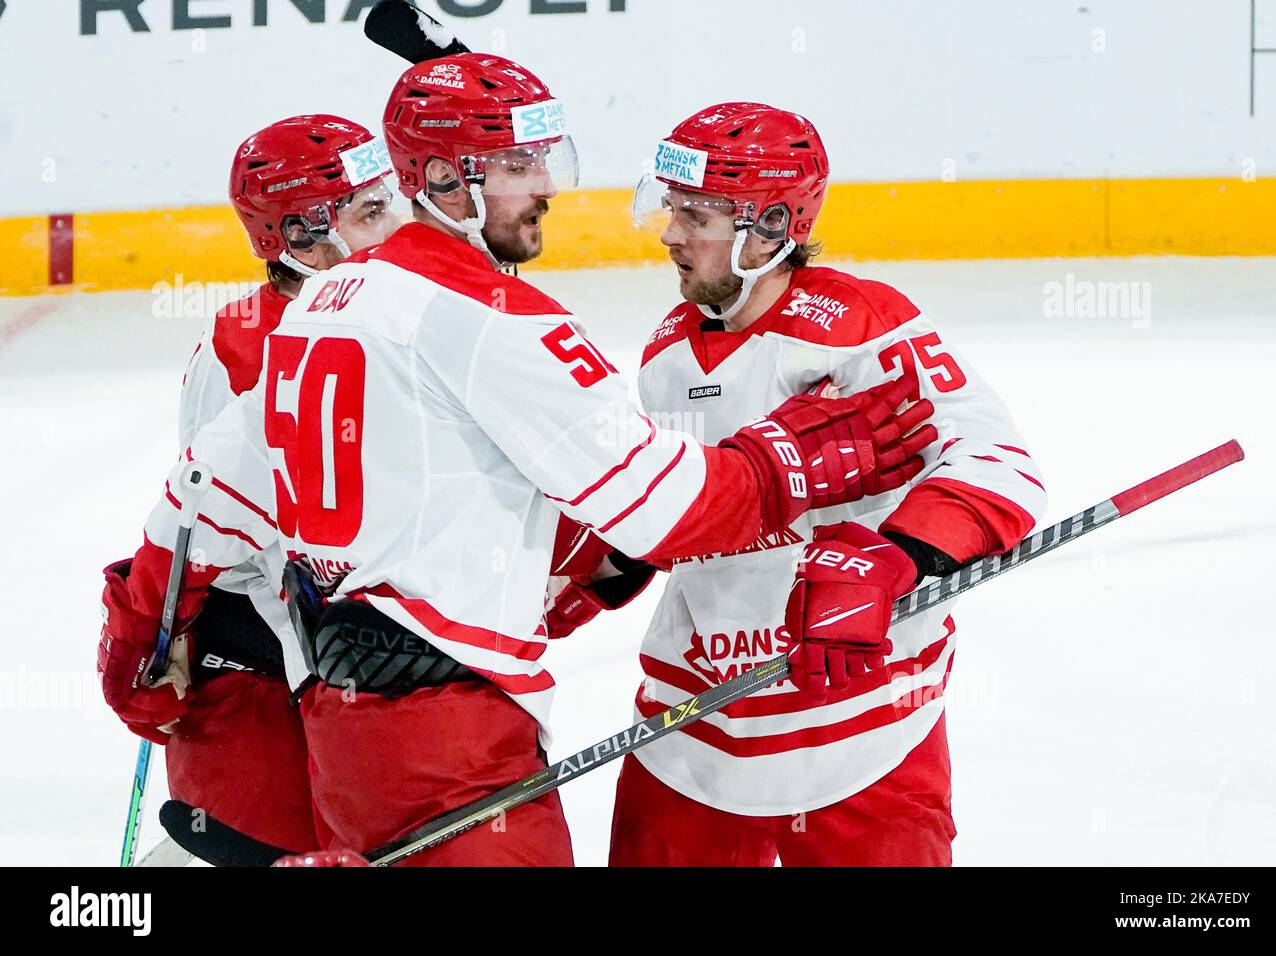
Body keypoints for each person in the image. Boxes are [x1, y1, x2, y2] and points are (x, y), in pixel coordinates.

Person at [97, 54, 938, 866]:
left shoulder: (326, 303)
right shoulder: (493, 319)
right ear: (442, 183)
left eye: (542, 156)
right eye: (516, 163)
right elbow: (666, 510)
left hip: (342, 732)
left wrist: (144, 624)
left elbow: (202, 491)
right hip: (448, 742)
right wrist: (783, 463)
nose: (546, 185)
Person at [607, 102, 1048, 866]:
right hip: (695, 728)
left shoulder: (861, 327)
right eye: (671, 209)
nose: (672, 235)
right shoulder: (663, 353)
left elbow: (997, 462)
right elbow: (673, 512)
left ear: (773, 224)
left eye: (698, 215)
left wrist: (895, 557)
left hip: (867, 729)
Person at [99, 116, 400, 855]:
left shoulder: (400, 309)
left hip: (366, 654)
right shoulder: (241, 351)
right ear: (297, 236)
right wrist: (152, 635)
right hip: (261, 661)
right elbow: (203, 525)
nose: (397, 227)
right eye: (370, 212)